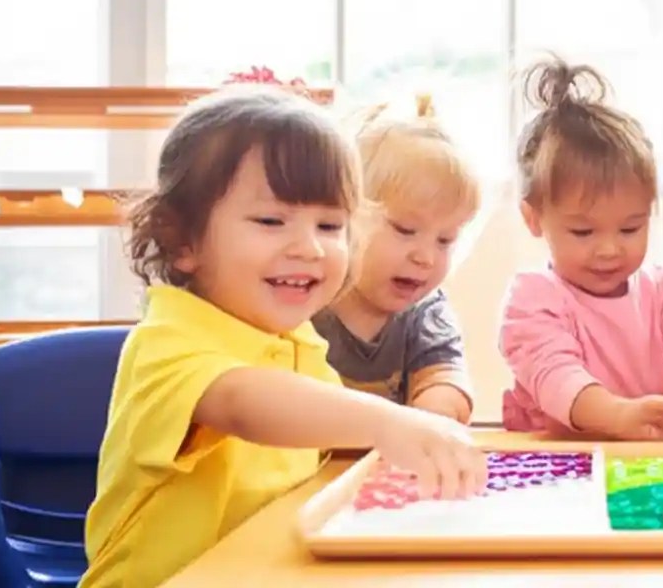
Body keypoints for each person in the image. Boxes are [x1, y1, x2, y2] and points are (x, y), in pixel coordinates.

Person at [83, 86, 486, 588]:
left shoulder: (299, 340)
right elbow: (242, 403)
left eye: (331, 225)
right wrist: (388, 421)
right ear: (179, 239)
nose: (309, 247)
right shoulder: (167, 340)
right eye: (272, 221)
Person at [498, 57, 663, 440]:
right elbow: (553, 373)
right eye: (583, 232)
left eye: (630, 227)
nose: (609, 249)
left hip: (654, 463)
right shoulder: (532, 298)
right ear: (534, 218)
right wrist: (617, 415)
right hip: (563, 463)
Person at [314, 94, 479, 423]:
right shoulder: (307, 302)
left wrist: (433, 418)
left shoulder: (426, 312)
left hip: (386, 468)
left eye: (445, 240)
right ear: (344, 216)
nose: (426, 257)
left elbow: (446, 380)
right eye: (405, 230)